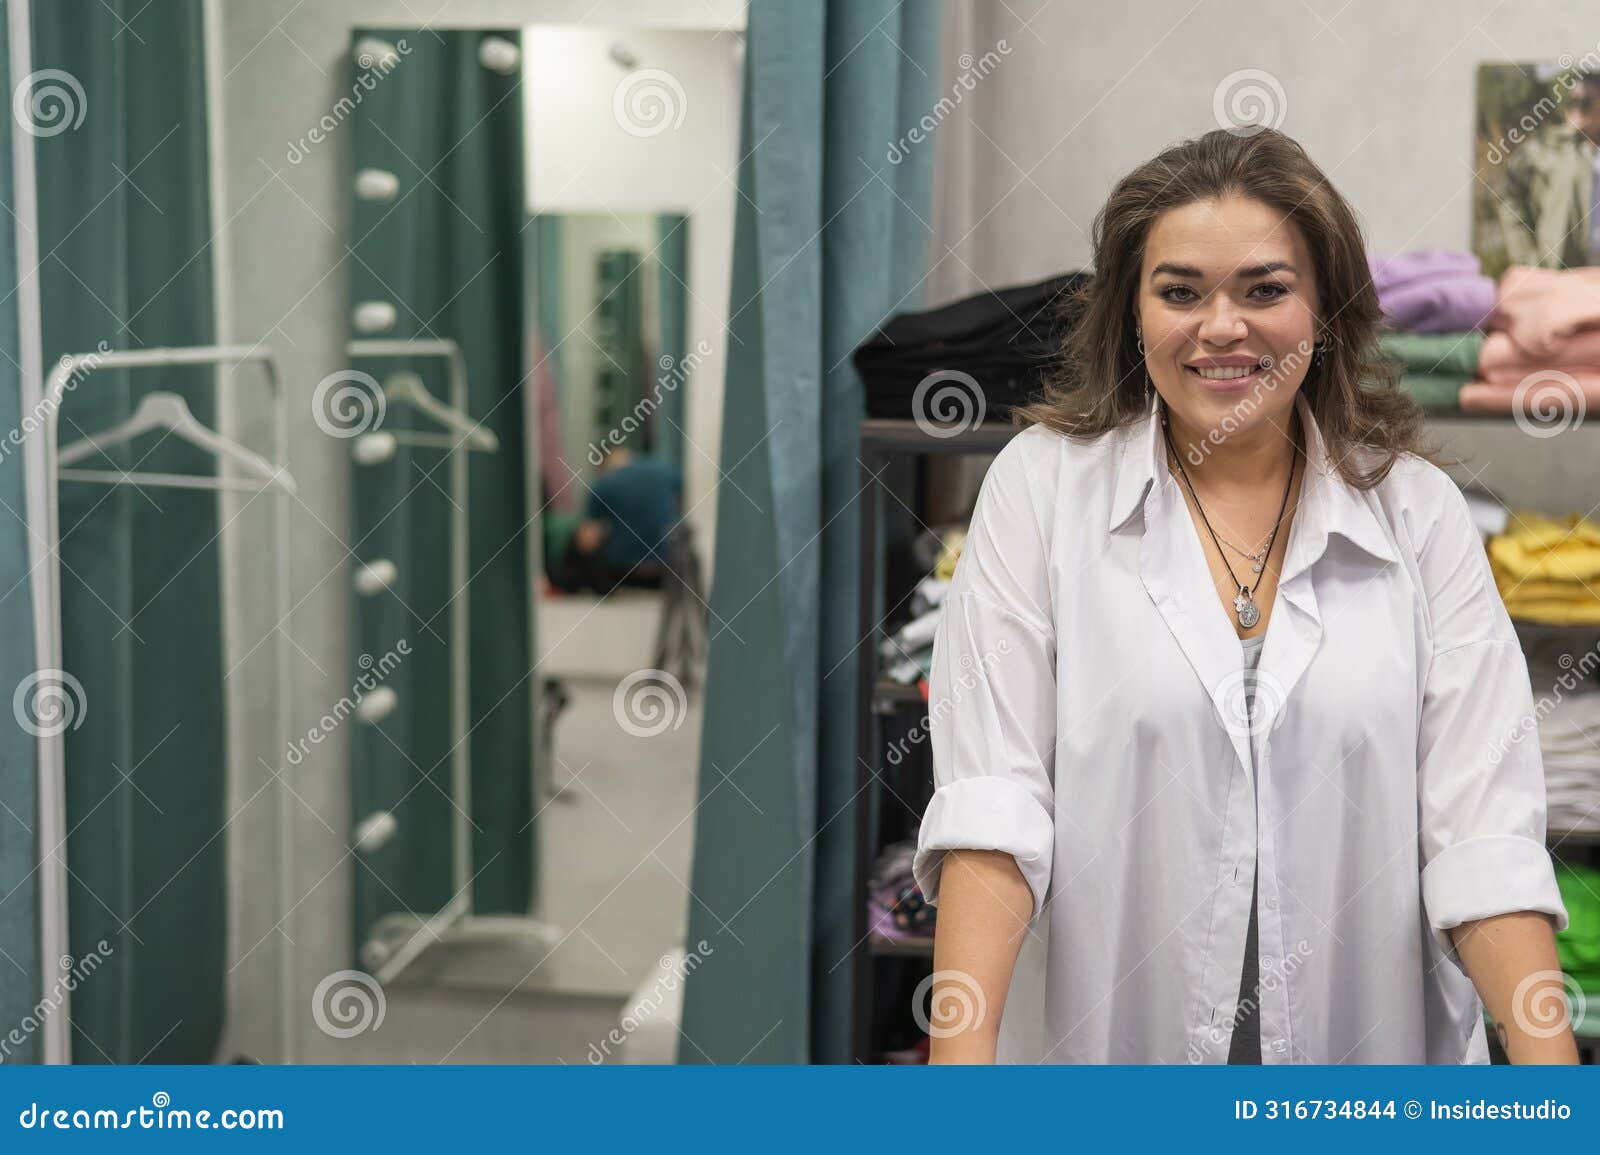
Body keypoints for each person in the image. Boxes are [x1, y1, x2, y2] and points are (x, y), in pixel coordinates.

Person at [912, 126, 1577, 1065]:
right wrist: (959, 1072)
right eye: (1179, 292)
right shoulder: (1043, 490)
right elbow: (993, 806)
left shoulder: (1416, 513)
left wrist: (1552, 1084)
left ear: (1325, 308)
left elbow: (1481, 831)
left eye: (1265, 289)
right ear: (1132, 313)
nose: (1221, 327)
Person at [1496, 72, 1600, 269]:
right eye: (1572, 102)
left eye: (1586, 103)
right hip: (1562, 273)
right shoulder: (1546, 147)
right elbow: (1508, 197)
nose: (1576, 109)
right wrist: (1526, 257)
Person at [545, 448, 683, 596]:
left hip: (624, 574)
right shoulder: (665, 471)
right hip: (667, 572)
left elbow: (586, 542)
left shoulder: (603, 484)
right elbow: (681, 506)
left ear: (604, 463)